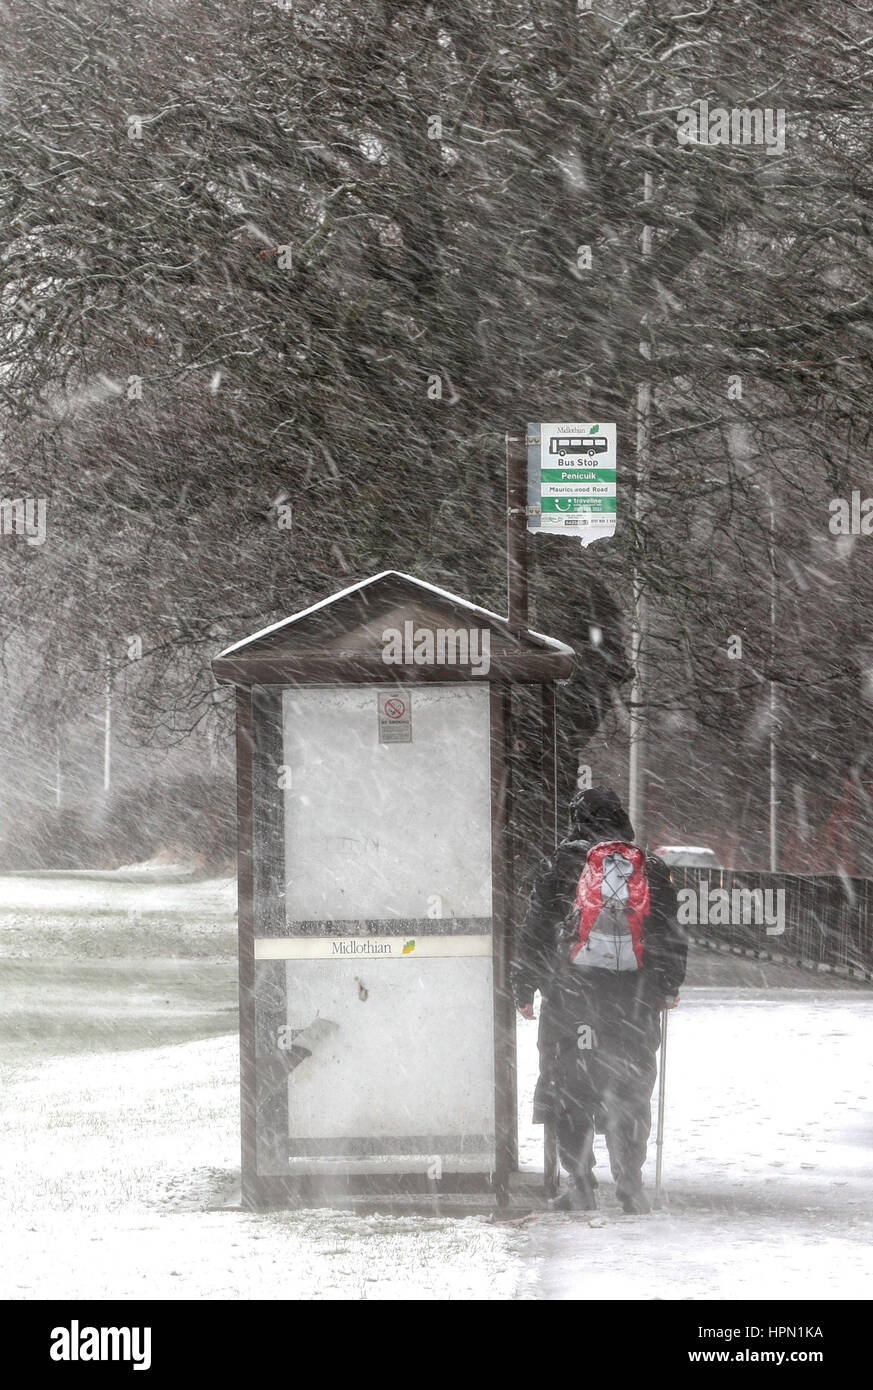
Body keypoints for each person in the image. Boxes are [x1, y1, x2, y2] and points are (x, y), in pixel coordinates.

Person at [512, 786, 686, 1214]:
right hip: (633, 1000)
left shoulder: (561, 864)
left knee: (569, 1085)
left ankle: (581, 1183)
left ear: (578, 819)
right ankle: (630, 1185)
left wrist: (525, 984)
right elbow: (669, 933)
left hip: (573, 995)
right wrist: (667, 985)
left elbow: (537, 927)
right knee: (629, 1088)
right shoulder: (651, 867)